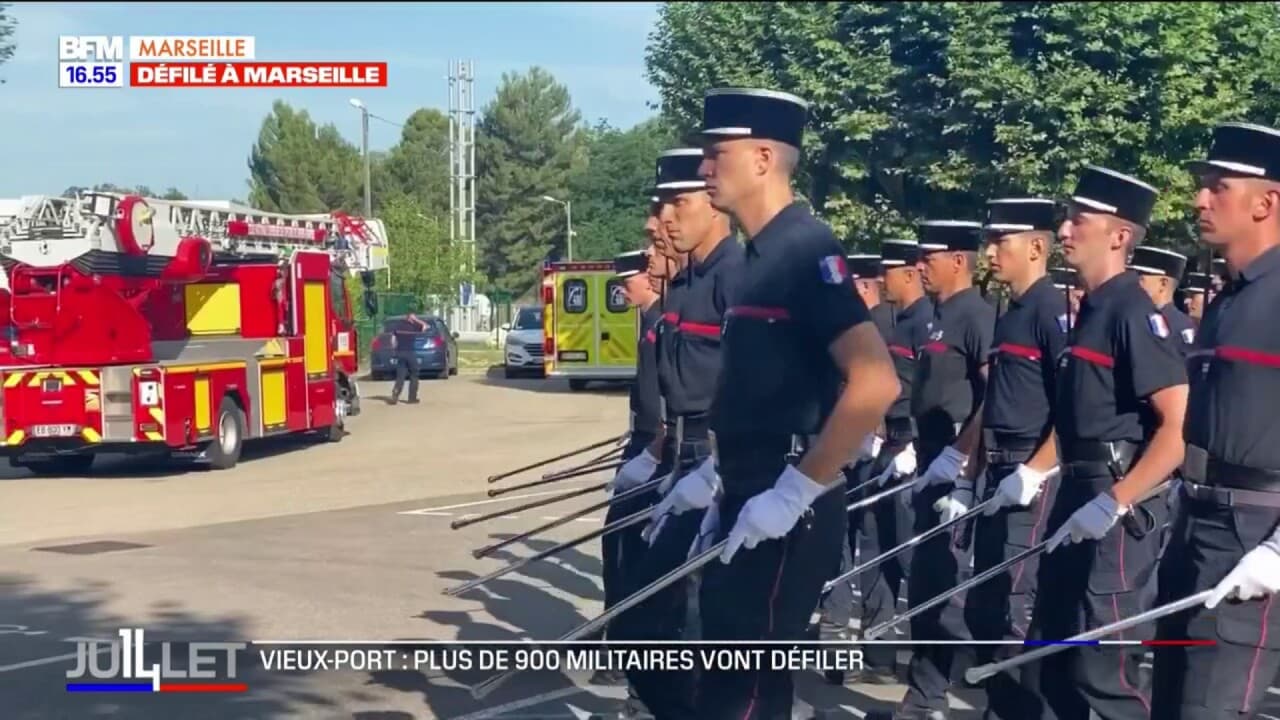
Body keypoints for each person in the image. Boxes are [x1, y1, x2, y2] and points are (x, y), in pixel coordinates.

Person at [692, 86, 899, 719]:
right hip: (747, 486)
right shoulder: (758, 257)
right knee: (727, 682)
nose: (704, 169)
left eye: (714, 153)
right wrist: (721, 483)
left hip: (785, 495)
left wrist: (796, 491)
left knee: (746, 693)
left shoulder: (804, 250)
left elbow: (875, 382)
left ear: (761, 158)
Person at [1020, 165, 1188, 720]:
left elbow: (1176, 429)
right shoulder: (1088, 311)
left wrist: (1116, 500)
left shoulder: (1132, 312)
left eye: (1079, 220)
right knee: (1049, 648)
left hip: (1117, 503)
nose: (1064, 231)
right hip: (1077, 489)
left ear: (1119, 236)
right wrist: (1030, 473)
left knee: (1102, 666)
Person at [1150, 121, 1280, 720]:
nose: (1200, 199)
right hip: (1195, 518)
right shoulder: (1228, 296)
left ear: (1266, 202)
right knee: (1173, 699)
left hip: (1252, 529)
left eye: (1218, 186)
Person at [610, 146, 742, 719]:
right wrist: (656, 454)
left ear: (713, 203)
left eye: (674, 202)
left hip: (719, 465)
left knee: (689, 621)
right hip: (680, 459)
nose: (658, 219)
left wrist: (721, 466)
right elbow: (673, 392)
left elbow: (757, 386)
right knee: (640, 622)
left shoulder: (738, 277)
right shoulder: (686, 286)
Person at [879, 219, 994, 720]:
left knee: (949, 587)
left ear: (959, 261)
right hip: (928, 464)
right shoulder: (934, 317)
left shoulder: (977, 316)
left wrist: (962, 458)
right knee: (925, 583)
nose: (919, 266)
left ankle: (957, 692)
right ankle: (923, 695)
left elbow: (994, 396)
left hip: (958, 471)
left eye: (929, 258)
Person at [960, 198, 1068, 718]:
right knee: (983, 603)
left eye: (1001, 241)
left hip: (1032, 470)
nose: (990, 252)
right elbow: (996, 398)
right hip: (998, 469)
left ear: (1036, 247)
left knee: (1014, 606)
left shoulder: (1052, 310)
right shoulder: (1010, 312)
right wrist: (970, 471)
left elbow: (1073, 408)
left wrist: (1034, 470)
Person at [596, 242, 662, 688]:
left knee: (631, 552)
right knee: (616, 545)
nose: (623, 289)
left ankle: (627, 652)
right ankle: (618, 641)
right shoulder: (649, 322)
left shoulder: (663, 322)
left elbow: (674, 401)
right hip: (642, 440)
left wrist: (652, 454)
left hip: (658, 449)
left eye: (628, 281)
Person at [1129, 245, 1197, 353]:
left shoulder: (1180, 326)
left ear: (1163, 284)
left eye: (1140, 279)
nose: (1131, 283)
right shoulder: (1131, 316)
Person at [388, 311, 428, 404]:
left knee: (400, 375)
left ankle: (396, 393)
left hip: (400, 353)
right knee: (414, 374)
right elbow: (425, 326)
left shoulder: (398, 326)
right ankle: (412, 398)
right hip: (410, 353)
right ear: (411, 318)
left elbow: (393, 339)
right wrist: (417, 320)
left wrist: (394, 349)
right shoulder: (414, 327)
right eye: (413, 318)